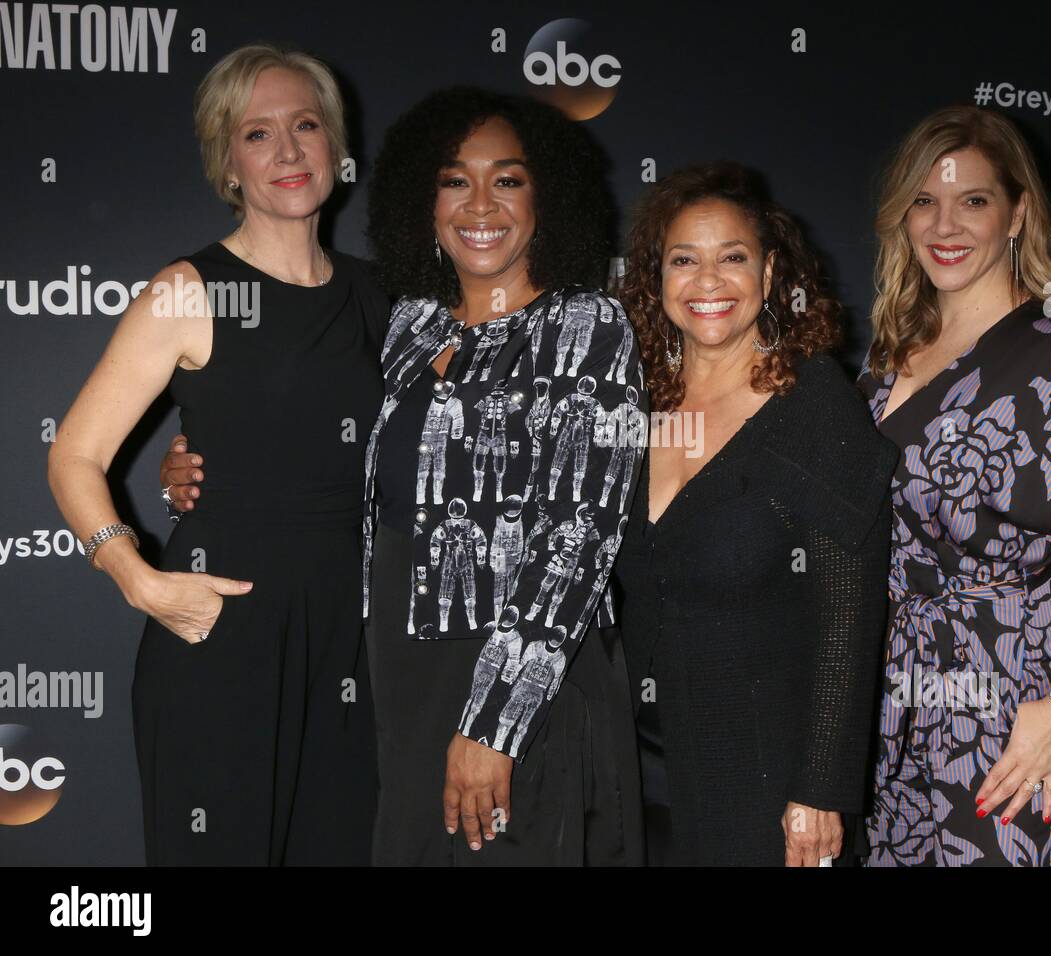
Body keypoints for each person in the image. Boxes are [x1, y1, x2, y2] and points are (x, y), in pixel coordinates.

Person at [163, 87, 648, 865]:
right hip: (402, 666)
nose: (480, 204)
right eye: (455, 180)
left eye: (509, 179)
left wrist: (494, 724)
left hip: (527, 671)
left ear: (547, 195)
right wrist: (189, 464)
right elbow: (330, 444)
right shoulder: (411, 322)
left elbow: (580, 534)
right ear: (424, 198)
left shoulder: (586, 325)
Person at [48, 44, 383, 865]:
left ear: (335, 145)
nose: (289, 151)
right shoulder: (186, 291)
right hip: (220, 633)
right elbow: (75, 456)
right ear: (228, 163)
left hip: (358, 647)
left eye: (305, 125)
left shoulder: (385, 295)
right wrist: (139, 579)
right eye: (257, 134)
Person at [856, 105, 1051, 866]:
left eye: (973, 200)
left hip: (1010, 691)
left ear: (1017, 213)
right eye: (925, 200)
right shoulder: (888, 356)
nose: (945, 224)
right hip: (889, 691)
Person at [611, 163, 897, 866]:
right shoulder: (634, 398)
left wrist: (821, 792)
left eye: (732, 258)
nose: (708, 281)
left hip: (763, 774)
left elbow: (848, 620)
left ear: (770, 276)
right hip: (631, 770)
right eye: (684, 259)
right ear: (656, 277)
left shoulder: (815, 408)